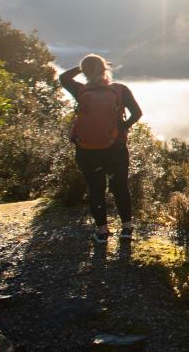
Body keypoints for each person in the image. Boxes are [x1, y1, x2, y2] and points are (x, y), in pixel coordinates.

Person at [59, 54, 142, 243]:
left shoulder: (80, 89)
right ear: (105, 69)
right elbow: (137, 113)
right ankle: (127, 229)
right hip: (116, 147)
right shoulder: (120, 90)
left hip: (87, 149)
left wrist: (83, 67)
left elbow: (63, 78)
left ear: (86, 72)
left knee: (96, 189)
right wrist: (123, 127)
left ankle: (102, 232)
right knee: (120, 187)